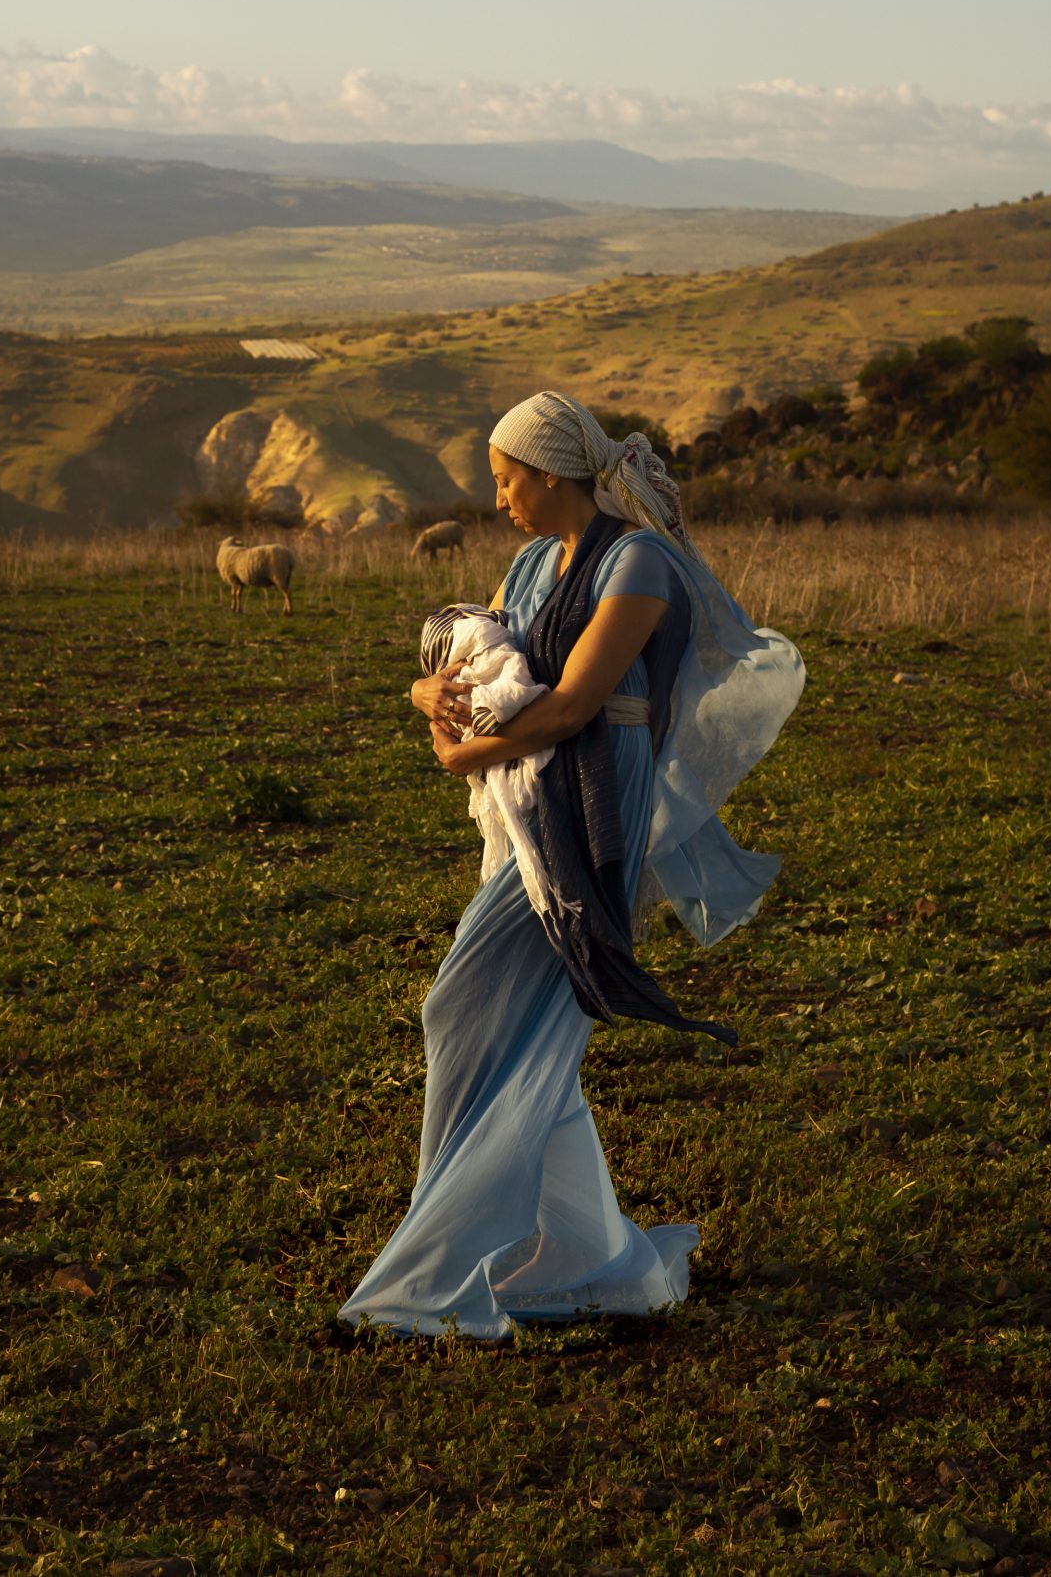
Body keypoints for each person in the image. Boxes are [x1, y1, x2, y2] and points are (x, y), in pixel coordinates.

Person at [338, 391, 804, 1338]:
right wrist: (424, 687)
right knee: (532, 1031)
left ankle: (438, 1281)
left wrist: (468, 753)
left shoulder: (639, 565)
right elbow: (490, 655)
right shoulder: (526, 561)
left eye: (508, 479)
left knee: (463, 1005)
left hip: (593, 811)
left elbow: (574, 703)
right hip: (529, 806)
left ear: (553, 474)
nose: (499, 495)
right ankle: (590, 1263)